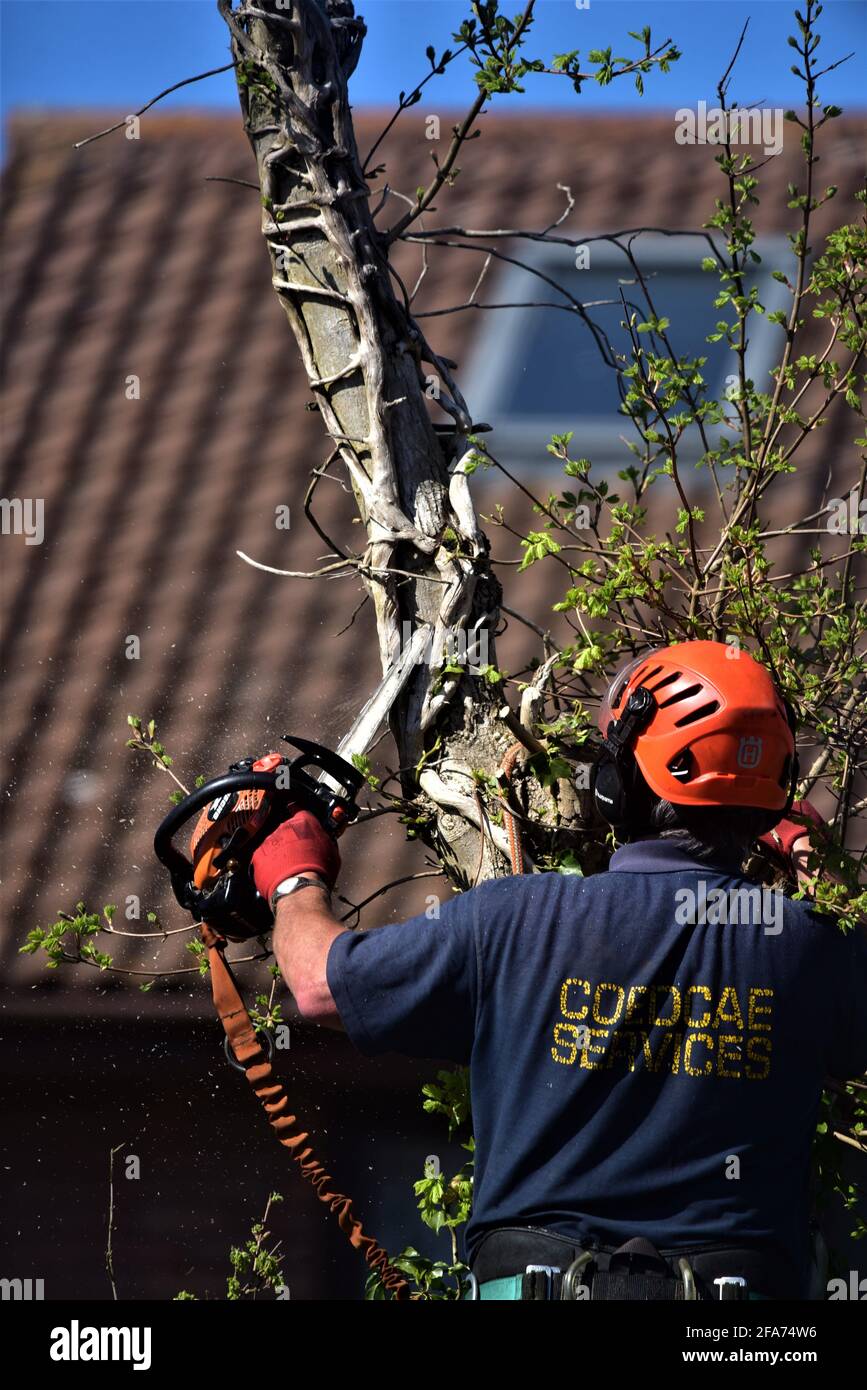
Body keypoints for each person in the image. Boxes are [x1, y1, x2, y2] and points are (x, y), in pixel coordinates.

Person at [251, 640, 867, 1301]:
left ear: (619, 783)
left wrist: (293, 877)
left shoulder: (515, 920)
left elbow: (318, 983)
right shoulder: (811, 949)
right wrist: (810, 851)